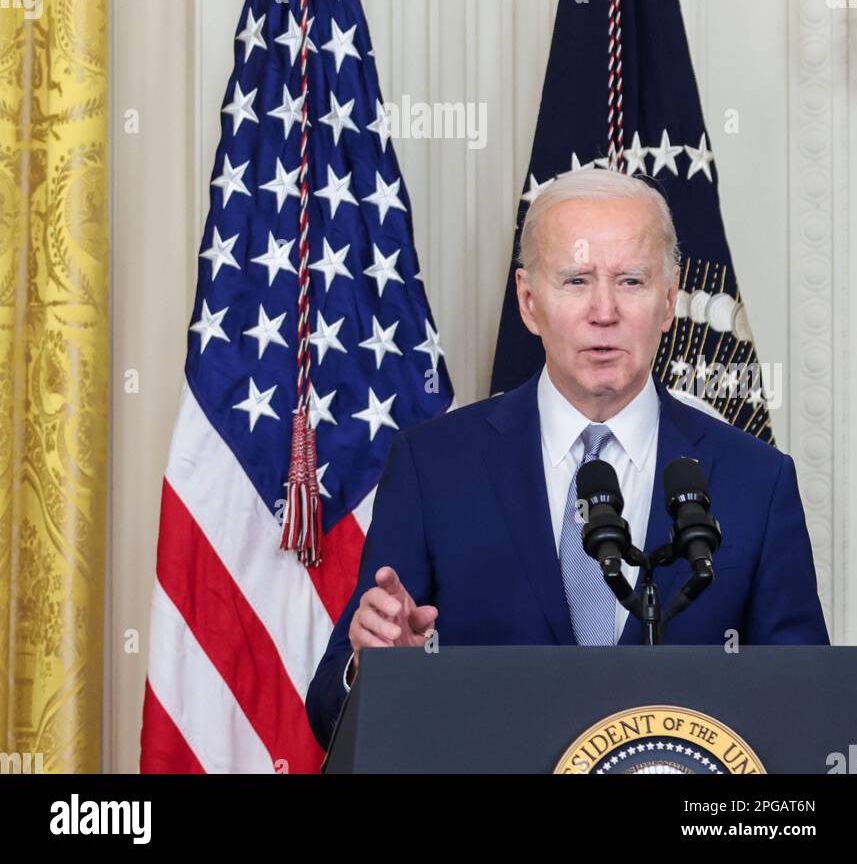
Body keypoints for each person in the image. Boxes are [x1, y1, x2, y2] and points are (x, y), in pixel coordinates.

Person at [305, 168, 829, 751]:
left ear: (668, 301)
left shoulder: (757, 479)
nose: (603, 312)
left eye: (631, 281)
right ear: (529, 302)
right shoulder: (432, 469)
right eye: (576, 281)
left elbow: (806, 713)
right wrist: (378, 668)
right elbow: (329, 710)